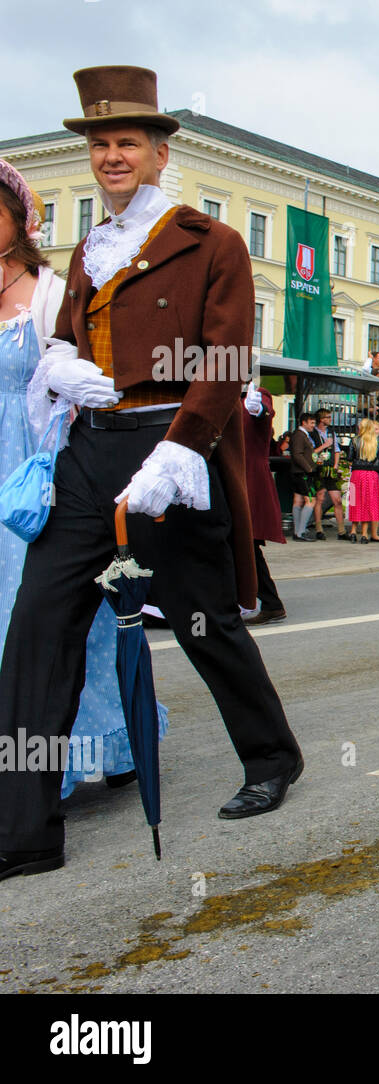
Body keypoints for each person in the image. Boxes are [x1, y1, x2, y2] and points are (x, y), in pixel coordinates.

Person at [0, 67, 302, 879]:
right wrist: (61, 365)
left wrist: (180, 451)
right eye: (99, 144)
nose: (111, 156)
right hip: (88, 449)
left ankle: (273, 757)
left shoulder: (213, 244)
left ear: (162, 153)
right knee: (39, 625)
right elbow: (62, 333)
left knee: (205, 621)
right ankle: (20, 828)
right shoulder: (90, 247)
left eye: (127, 142)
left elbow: (229, 355)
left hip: (170, 448)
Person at [0, 158, 169, 809]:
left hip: (39, 472)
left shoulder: (48, 292)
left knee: (58, 614)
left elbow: (90, 375)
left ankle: (106, 743)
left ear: (21, 221)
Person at [241, 377, 287, 624]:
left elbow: (265, 411)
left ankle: (269, 603)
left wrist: (259, 410)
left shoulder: (258, 394)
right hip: (229, 478)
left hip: (249, 480)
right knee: (239, 544)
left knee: (246, 544)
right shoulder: (219, 397)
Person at [348, 417, 379, 543]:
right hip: (371, 475)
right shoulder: (378, 441)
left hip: (357, 473)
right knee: (368, 503)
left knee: (355, 501)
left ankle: (353, 531)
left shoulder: (354, 440)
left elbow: (350, 457)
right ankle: (364, 534)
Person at [312, 408, 346, 540]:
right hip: (319, 467)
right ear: (321, 419)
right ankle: (319, 528)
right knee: (319, 498)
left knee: (336, 499)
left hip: (330, 468)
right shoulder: (313, 433)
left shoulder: (331, 432)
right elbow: (312, 451)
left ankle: (341, 531)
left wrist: (336, 465)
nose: (330, 419)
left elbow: (336, 449)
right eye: (328, 417)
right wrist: (325, 445)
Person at [288, 411, 319, 541]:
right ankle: (300, 532)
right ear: (304, 422)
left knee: (298, 500)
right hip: (303, 473)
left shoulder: (300, 435)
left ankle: (297, 531)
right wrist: (309, 468)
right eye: (311, 423)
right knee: (310, 500)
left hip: (298, 472)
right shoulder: (300, 436)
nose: (313, 426)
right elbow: (297, 454)